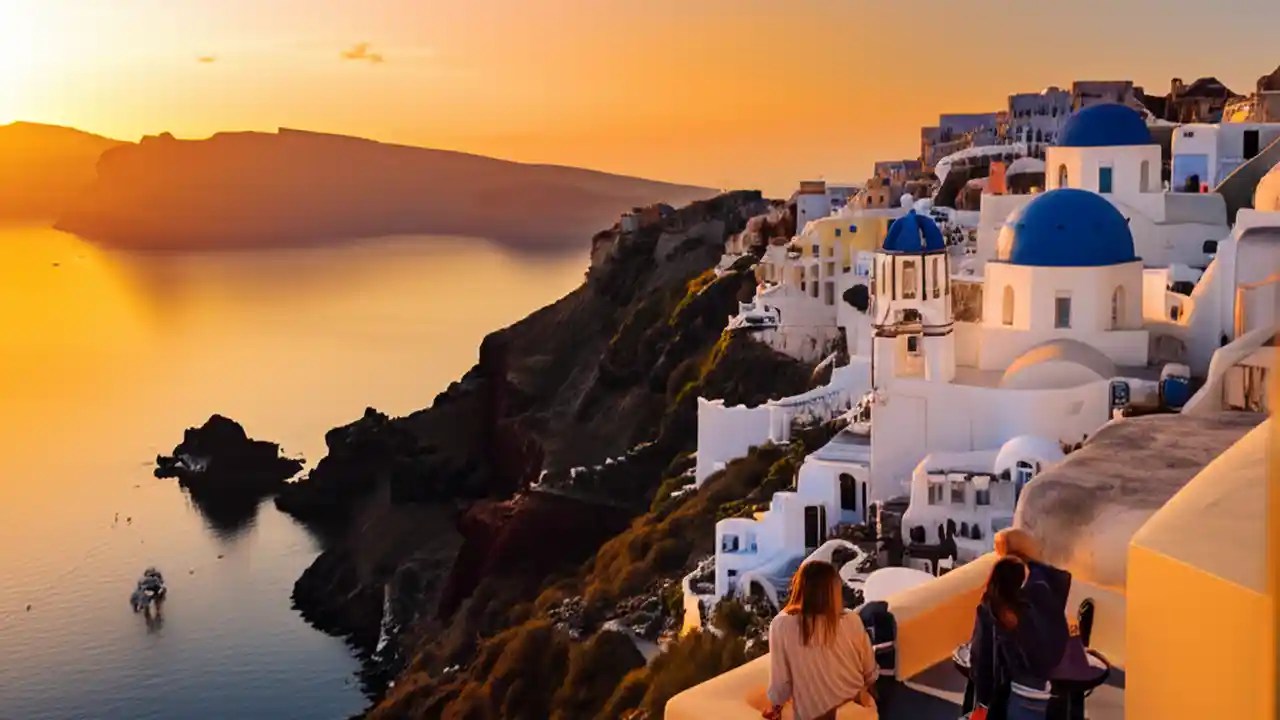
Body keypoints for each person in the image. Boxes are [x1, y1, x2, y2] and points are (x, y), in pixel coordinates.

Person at [968, 529, 1071, 720]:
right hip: (1044, 692)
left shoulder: (994, 607)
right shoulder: (1046, 591)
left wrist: (982, 702)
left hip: (1010, 696)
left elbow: (982, 660)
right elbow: (1059, 640)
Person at [764, 561, 878, 720]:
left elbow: (780, 690)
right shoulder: (851, 620)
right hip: (859, 713)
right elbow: (871, 672)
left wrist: (774, 707)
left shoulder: (782, 626)